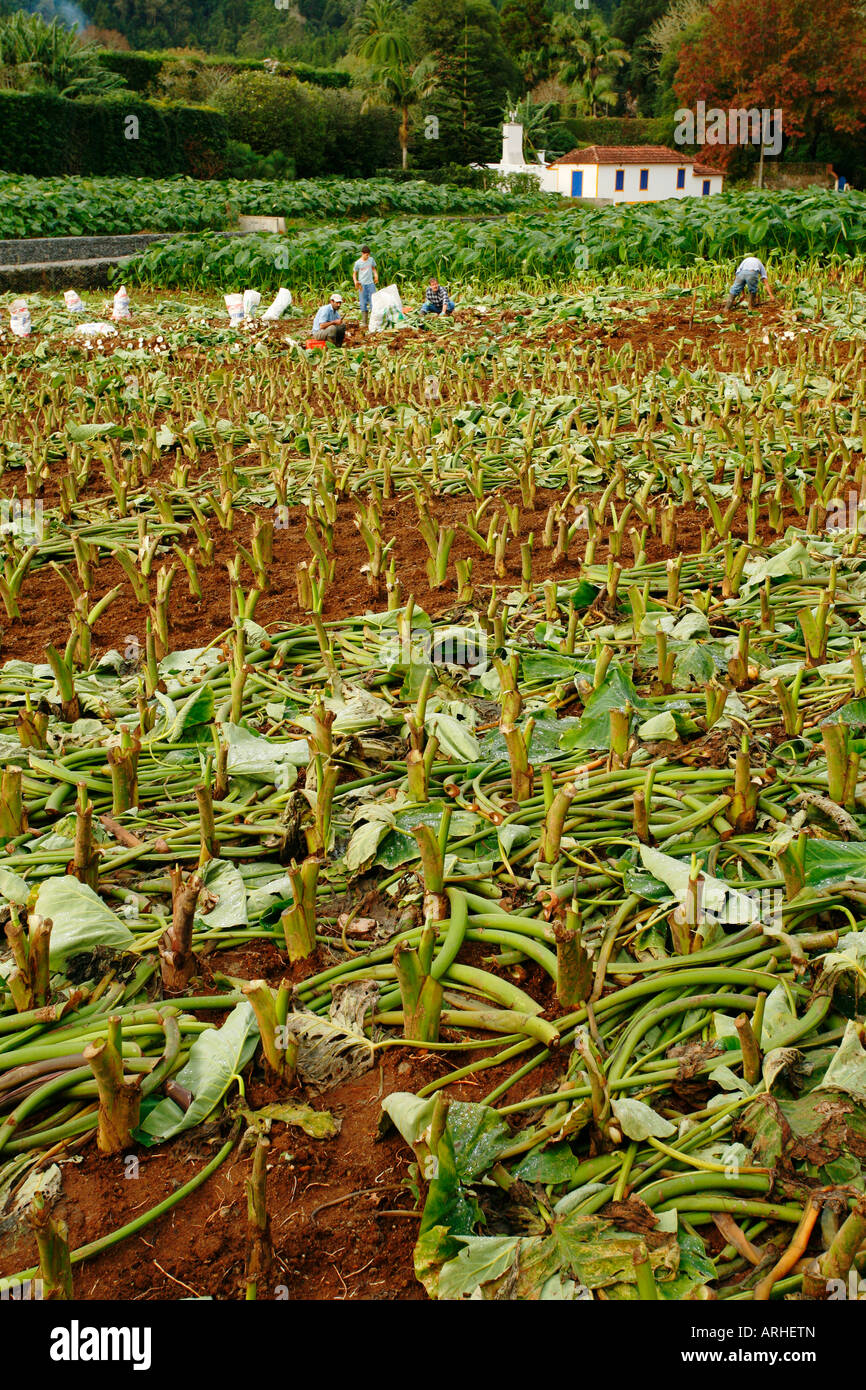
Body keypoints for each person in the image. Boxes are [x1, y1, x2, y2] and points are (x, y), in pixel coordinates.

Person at [352, 246, 379, 329]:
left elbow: (373, 268)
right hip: (362, 285)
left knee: (373, 302)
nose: (367, 257)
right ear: (362, 254)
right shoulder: (358, 263)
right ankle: (364, 322)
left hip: (370, 283)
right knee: (363, 303)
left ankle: (373, 321)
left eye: (368, 255)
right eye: (366, 255)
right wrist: (355, 281)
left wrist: (375, 275)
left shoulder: (371, 260)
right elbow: (354, 274)